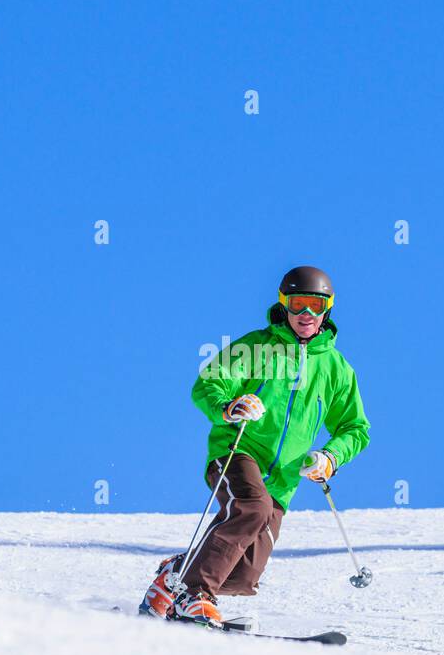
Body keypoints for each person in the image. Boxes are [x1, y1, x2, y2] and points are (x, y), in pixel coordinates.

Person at [139, 265, 371, 625]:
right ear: (284, 305)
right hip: (237, 451)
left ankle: (176, 574)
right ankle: (194, 594)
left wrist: (330, 457)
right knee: (252, 506)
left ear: (328, 308)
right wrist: (229, 407)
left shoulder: (337, 369)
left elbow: (355, 427)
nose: (306, 314)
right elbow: (208, 385)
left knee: (246, 575)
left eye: (315, 304)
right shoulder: (256, 347)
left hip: (283, 478)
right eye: (297, 305)